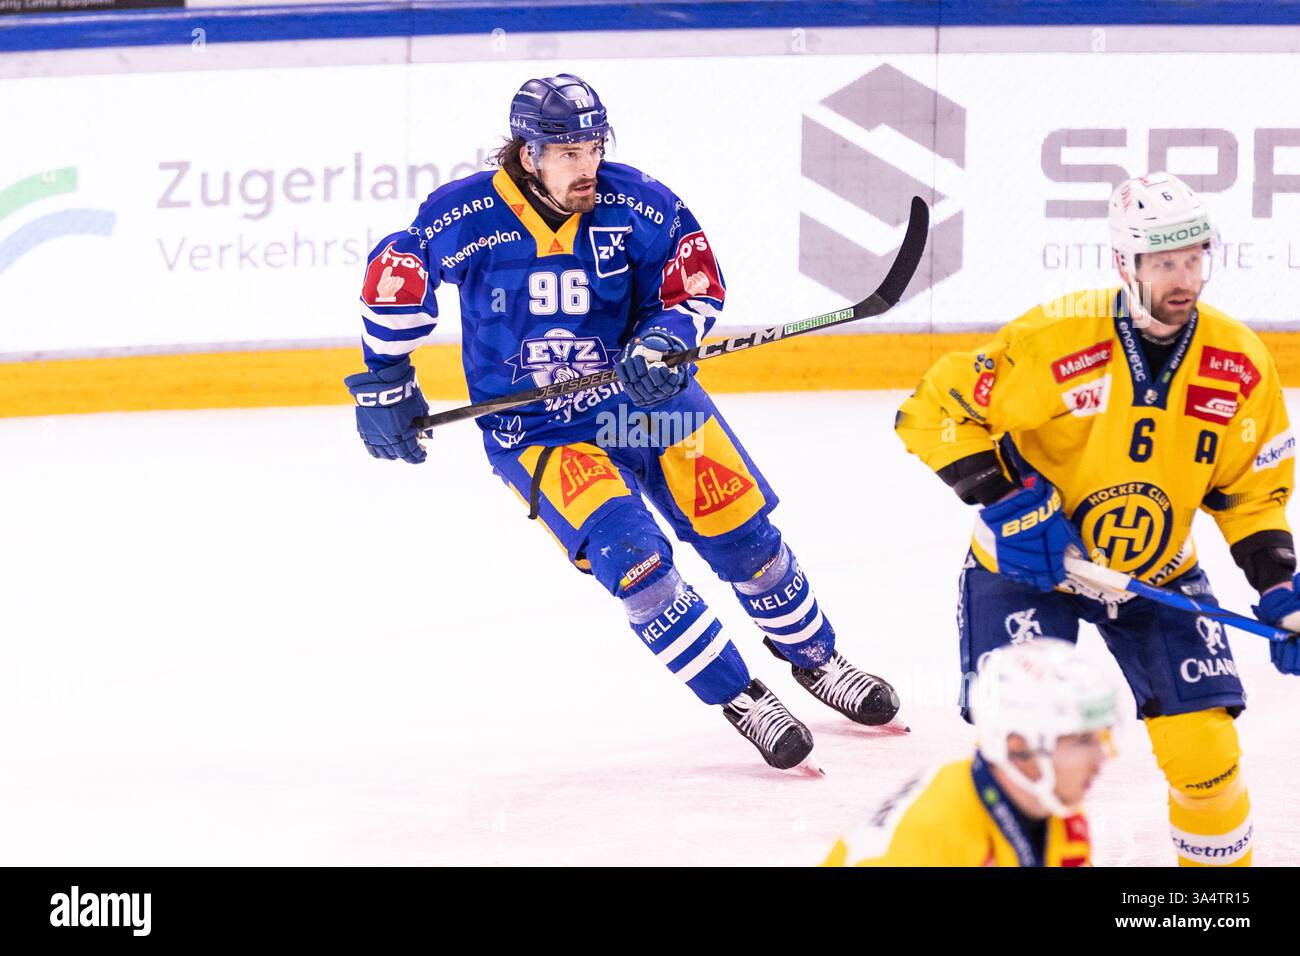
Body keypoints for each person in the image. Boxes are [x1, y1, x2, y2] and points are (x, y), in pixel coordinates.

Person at [342, 73, 902, 772]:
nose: (587, 165)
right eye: (568, 151)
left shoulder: (639, 202)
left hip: (650, 407)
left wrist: (664, 339)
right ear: (528, 153)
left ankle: (819, 662)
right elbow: (398, 275)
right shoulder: (464, 216)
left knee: (746, 541)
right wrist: (385, 381)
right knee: (638, 568)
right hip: (540, 432)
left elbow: (694, 283)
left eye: (593, 147)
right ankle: (742, 698)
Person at [896, 171, 1300, 866]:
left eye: (1194, 258)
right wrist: (1011, 503)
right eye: (1165, 262)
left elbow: (1252, 493)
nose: (1185, 278)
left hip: (1155, 573)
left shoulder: (1239, 362)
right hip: (1027, 573)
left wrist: (1279, 589)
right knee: (1029, 763)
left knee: (1206, 757)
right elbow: (932, 411)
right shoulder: (1056, 339)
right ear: (1125, 263)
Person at [824, 639, 1117, 866]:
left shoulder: (1054, 808)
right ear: (1019, 746)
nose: (1103, 756)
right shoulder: (925, 838)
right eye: (1081, 742)